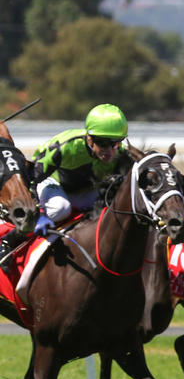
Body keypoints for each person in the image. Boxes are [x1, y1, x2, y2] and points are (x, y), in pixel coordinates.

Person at [0, 104, 127, 265]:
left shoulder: (121, 153)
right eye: (103, 143)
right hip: (52, 184)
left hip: (85, 190)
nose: (109, 150)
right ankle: (8, 240)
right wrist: (37, 213)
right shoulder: (66, 146)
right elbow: (32, 178)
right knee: (61, 208)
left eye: (115, 143)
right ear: (89, 138)